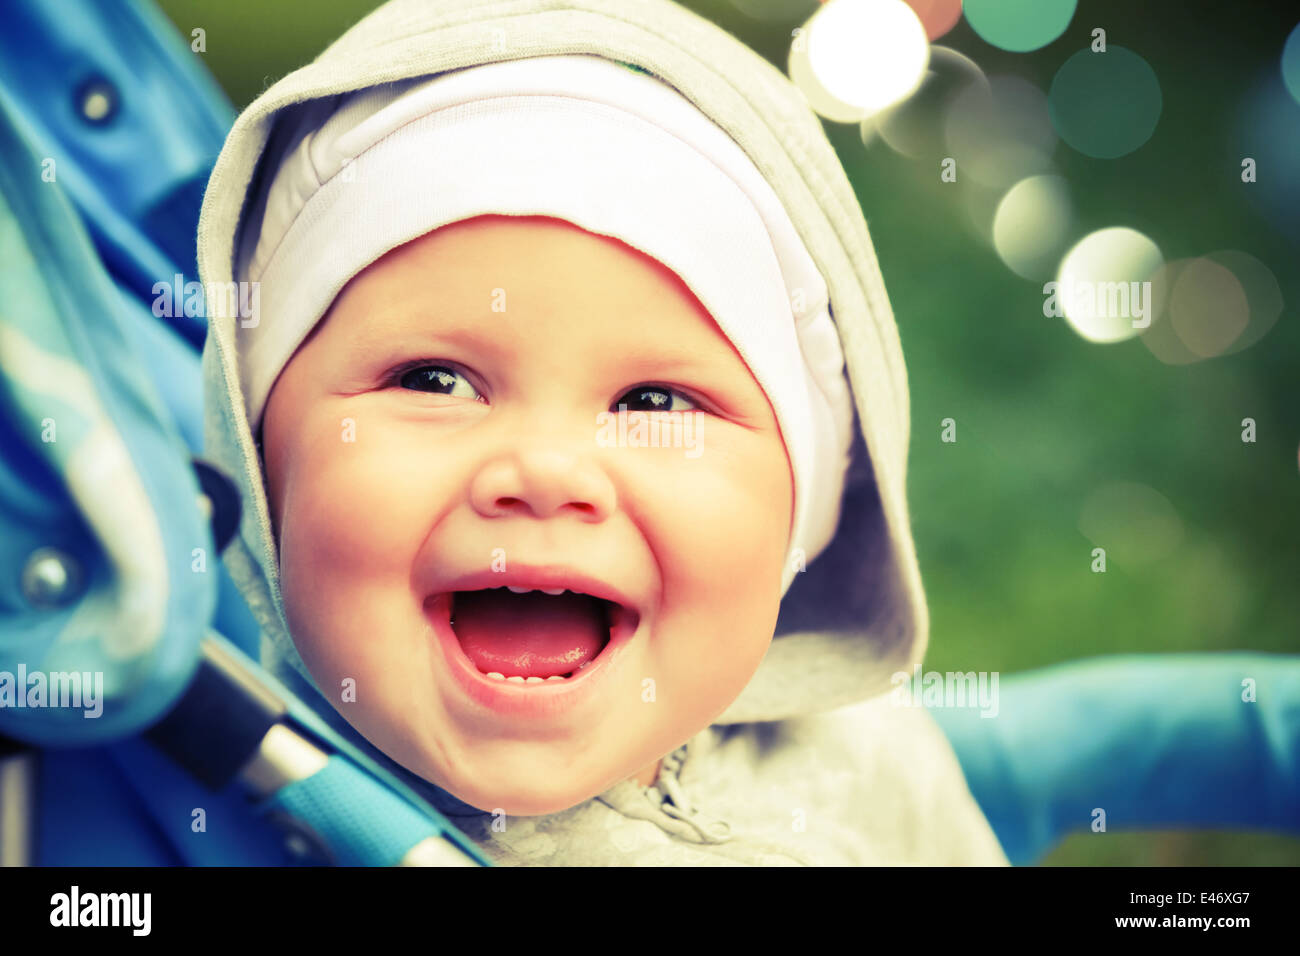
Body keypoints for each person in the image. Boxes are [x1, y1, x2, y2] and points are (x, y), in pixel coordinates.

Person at [196, 0, 1008, 864]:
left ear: (796, 512)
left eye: (654, 404)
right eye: (435, 381)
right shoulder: (207, 796)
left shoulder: (877, 776)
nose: (546, 471)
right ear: (258, 460)